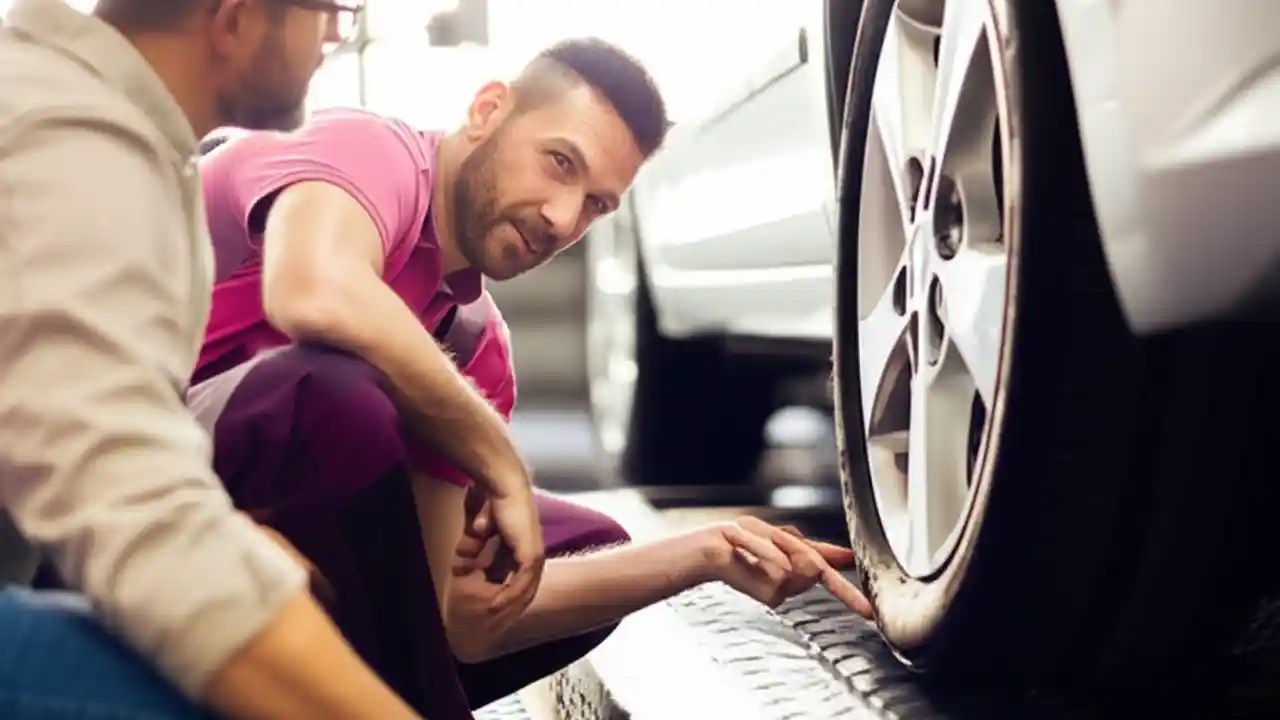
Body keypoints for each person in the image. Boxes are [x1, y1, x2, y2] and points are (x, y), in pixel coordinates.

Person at [190, 37, 874, 717]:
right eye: (558, 162)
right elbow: (313, 291)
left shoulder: (475, 342)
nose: (560, 217)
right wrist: (498, 460)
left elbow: (459, 622)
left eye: (596, 205)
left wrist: (704, 556)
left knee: (573, 547)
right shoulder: (370, 153)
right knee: (338, 390)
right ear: (489, 110)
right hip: (139, 465)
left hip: (286, 526)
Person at [0, 0, 427, 717]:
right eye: (330, 11)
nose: (333, 36)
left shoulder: (90, 119)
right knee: (226, 684)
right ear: (235, 19)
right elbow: (133, 515)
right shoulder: (73, 146)